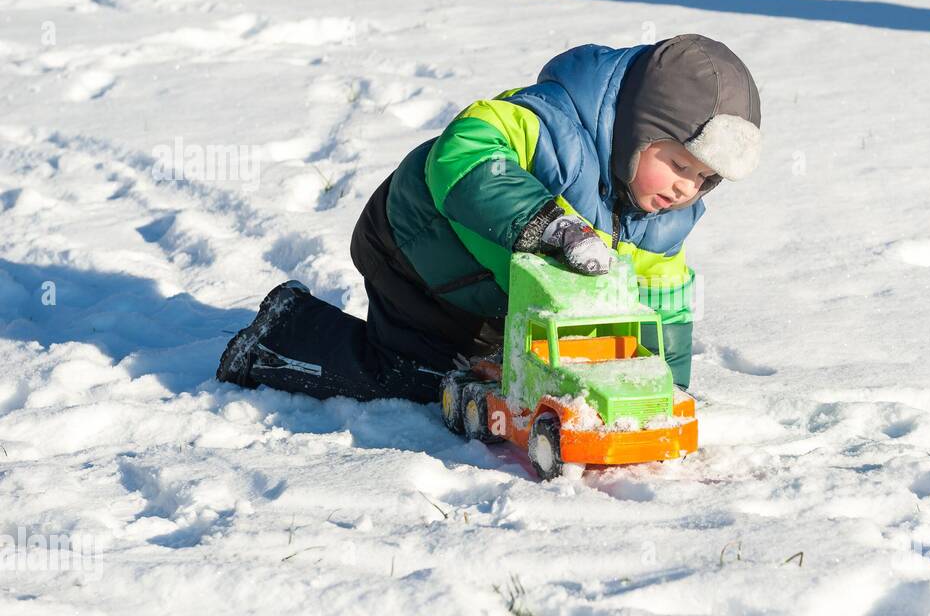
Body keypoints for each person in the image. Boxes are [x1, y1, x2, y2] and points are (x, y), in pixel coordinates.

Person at [215, 33, 763, 405]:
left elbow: (661, 307)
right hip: (419, 249)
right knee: (426, 381)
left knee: (523, 380)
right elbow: (462, 153)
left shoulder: (663, 220)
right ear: (639, 130)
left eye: (704, 180)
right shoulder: (552, 125)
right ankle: (281, 337)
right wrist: (548, 224)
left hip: (495, 286)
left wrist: (665, 390)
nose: (685, 189)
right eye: (678, 164)